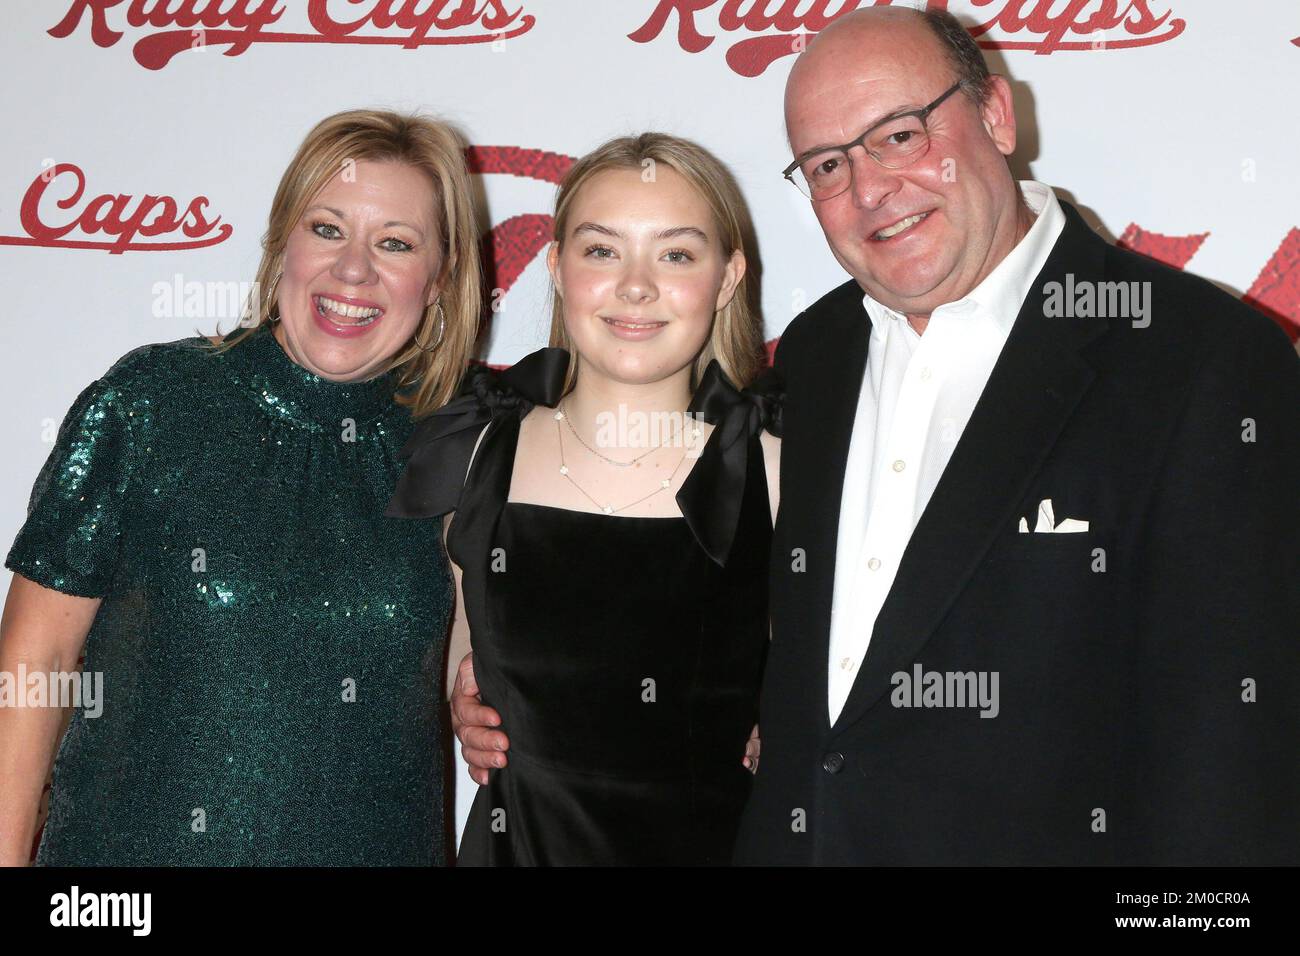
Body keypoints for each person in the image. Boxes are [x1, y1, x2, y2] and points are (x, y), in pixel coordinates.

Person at [458, 8, 1300, 865]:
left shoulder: (1198, 360)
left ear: (998, 116)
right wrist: (508, 685)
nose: (869, 189)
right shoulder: (814, 360)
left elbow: (1238, 741)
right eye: (828, 164)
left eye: (899, 135)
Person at [0, 109, 482, 866]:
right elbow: (36, 663)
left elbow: (492, 663)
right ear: (281, 239)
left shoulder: (459, 445)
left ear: (442, 278)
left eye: (395, 243)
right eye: (327, 229)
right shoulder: (151, 402)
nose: (353, 270)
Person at [388, 132, 779, 865]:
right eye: (602, 250)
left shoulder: (778, 468)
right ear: (559, 267)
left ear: (727, 279)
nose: (636, 285)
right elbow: (450, 675)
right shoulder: (471, 453)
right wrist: (458, 708)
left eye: (676, 254)